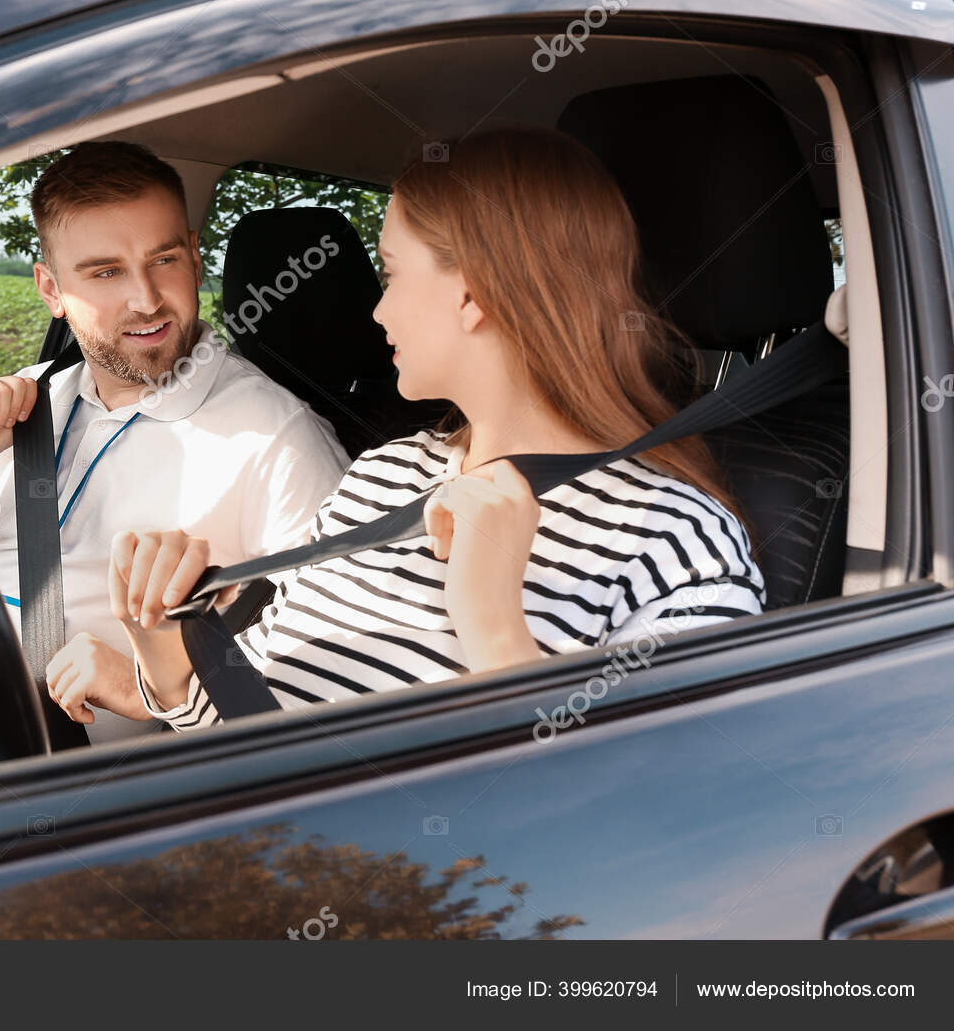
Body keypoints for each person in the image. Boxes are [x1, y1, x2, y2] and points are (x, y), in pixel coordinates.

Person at [76, 127, 766, 729]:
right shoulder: (383, 474)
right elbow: (258, 734)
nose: (376, 313)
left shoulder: (676, 542)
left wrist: (494, 624)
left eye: (392, 272)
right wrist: (164, 653)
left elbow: (652, 823)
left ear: (471, 293)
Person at [0, 141, 349, 742]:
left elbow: (339, 666)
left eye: (165, 260)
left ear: (196, 259)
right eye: (106, 272)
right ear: (51, 290)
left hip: (84, 779)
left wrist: (152, 689)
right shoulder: (28, 400)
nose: (147, 299)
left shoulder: (276, 436)